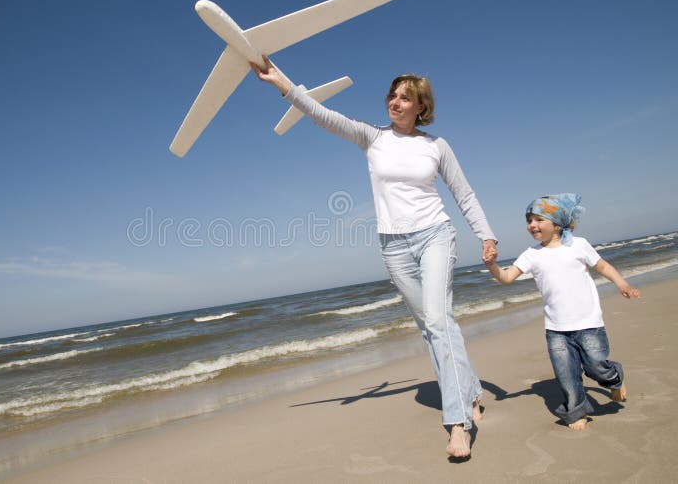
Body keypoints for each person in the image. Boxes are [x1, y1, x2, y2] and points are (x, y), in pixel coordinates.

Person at [252, 57, 498, 458]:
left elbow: (463, 194)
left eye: (405, 98)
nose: (396, 102)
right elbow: (322, 115)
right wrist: (281, 81)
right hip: (393, 246)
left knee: (437, 320)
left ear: (422, 107)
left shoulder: (436, 146)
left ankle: (458, 423)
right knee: (435, 326)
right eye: (392, 96)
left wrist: (485, 235)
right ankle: (470, 392)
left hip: (435, 235)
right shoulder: (372, 137)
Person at [484, 193, 640, 430]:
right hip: (556, 329)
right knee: (567, 376)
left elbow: (603, 266)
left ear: (557, 223)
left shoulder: (579, 245)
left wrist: (622, 284)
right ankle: (576, 411)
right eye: (529, 221)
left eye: (538, 219)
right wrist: (492, 266)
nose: (532, 225)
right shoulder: (531, 254)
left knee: (597, 365)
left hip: (588, 322)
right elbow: (506, 278)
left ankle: (615, 380)